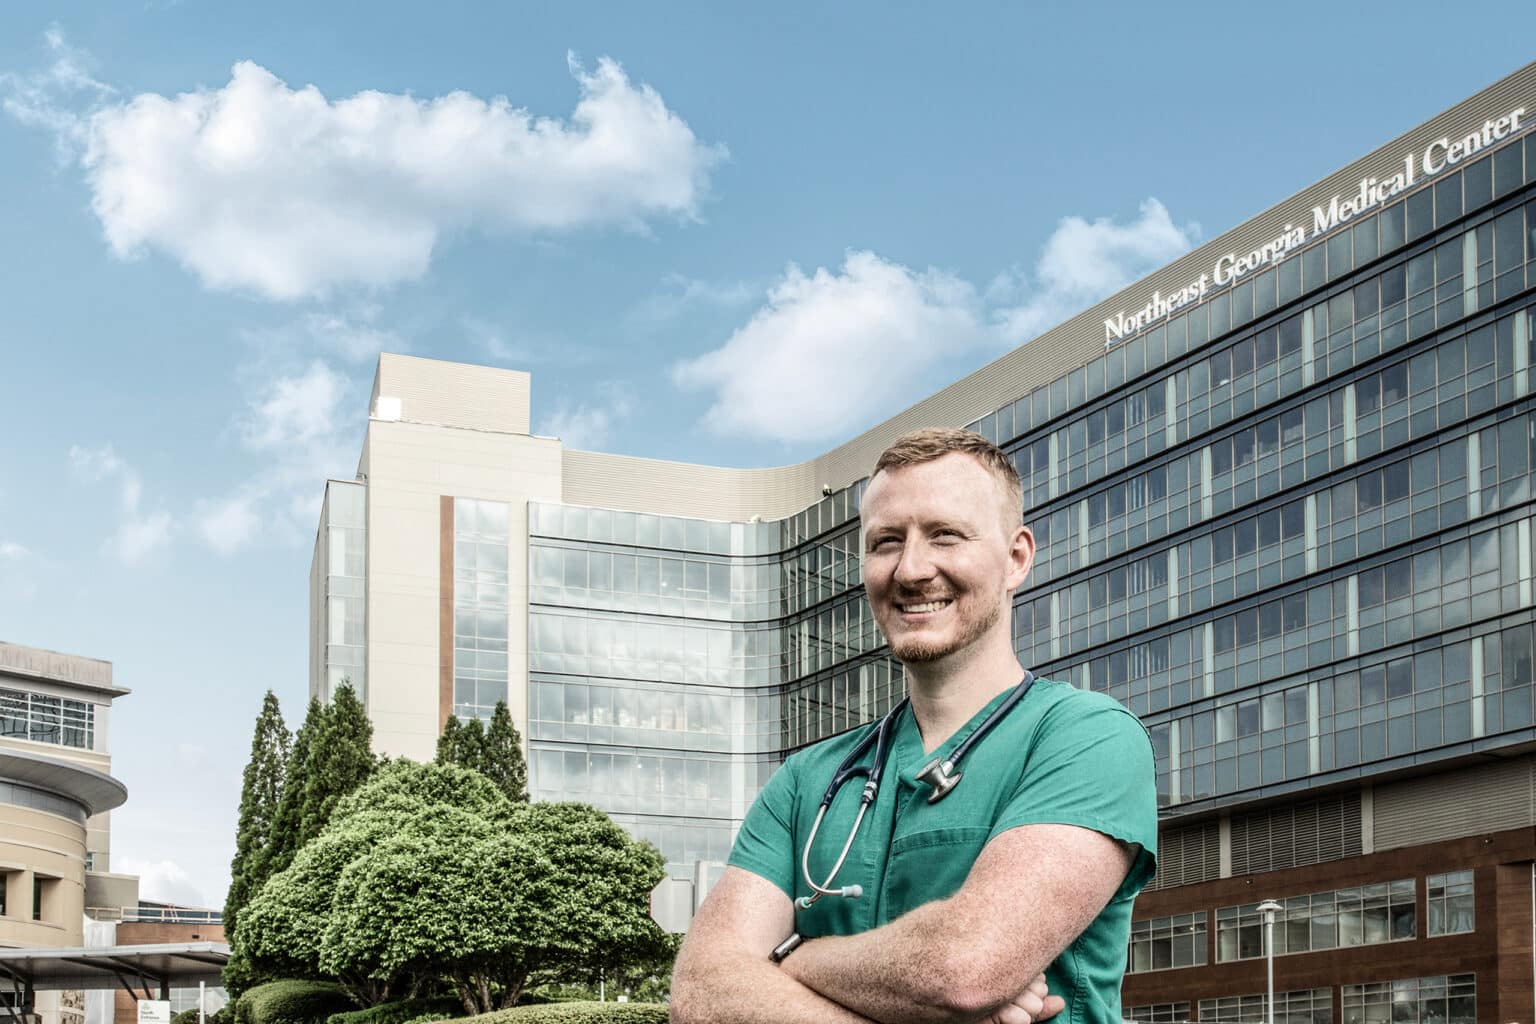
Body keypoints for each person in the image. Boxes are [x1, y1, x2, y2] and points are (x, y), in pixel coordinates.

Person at [672, 427, 1158, 1024]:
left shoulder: (1089, 739)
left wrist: (796, 957)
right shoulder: (804, 781)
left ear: (1016, 558)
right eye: (885, 542)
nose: (911, 569)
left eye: (945, 535)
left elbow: (963, 966)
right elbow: (702, 995)